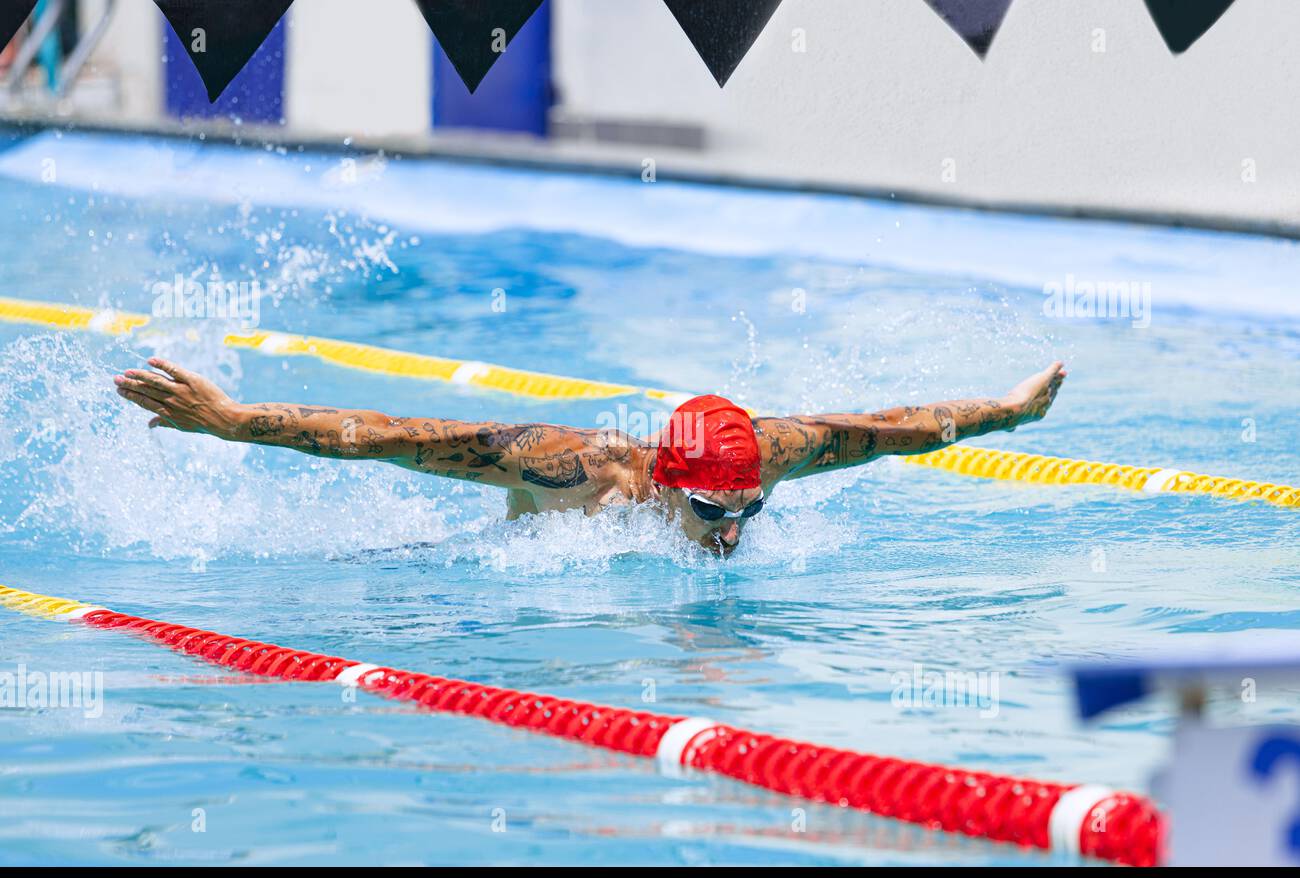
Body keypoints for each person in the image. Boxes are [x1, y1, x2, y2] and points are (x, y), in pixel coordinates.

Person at [113, 358, 1067, 556]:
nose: (731, 533)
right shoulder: (577, 469)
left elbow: (891, 426)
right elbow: (396, 437)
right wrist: (234, 420)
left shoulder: (766, 459)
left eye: (749, 512)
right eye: (715, 515)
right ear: (669, 482)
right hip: (470, 571)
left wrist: (1008, 415)